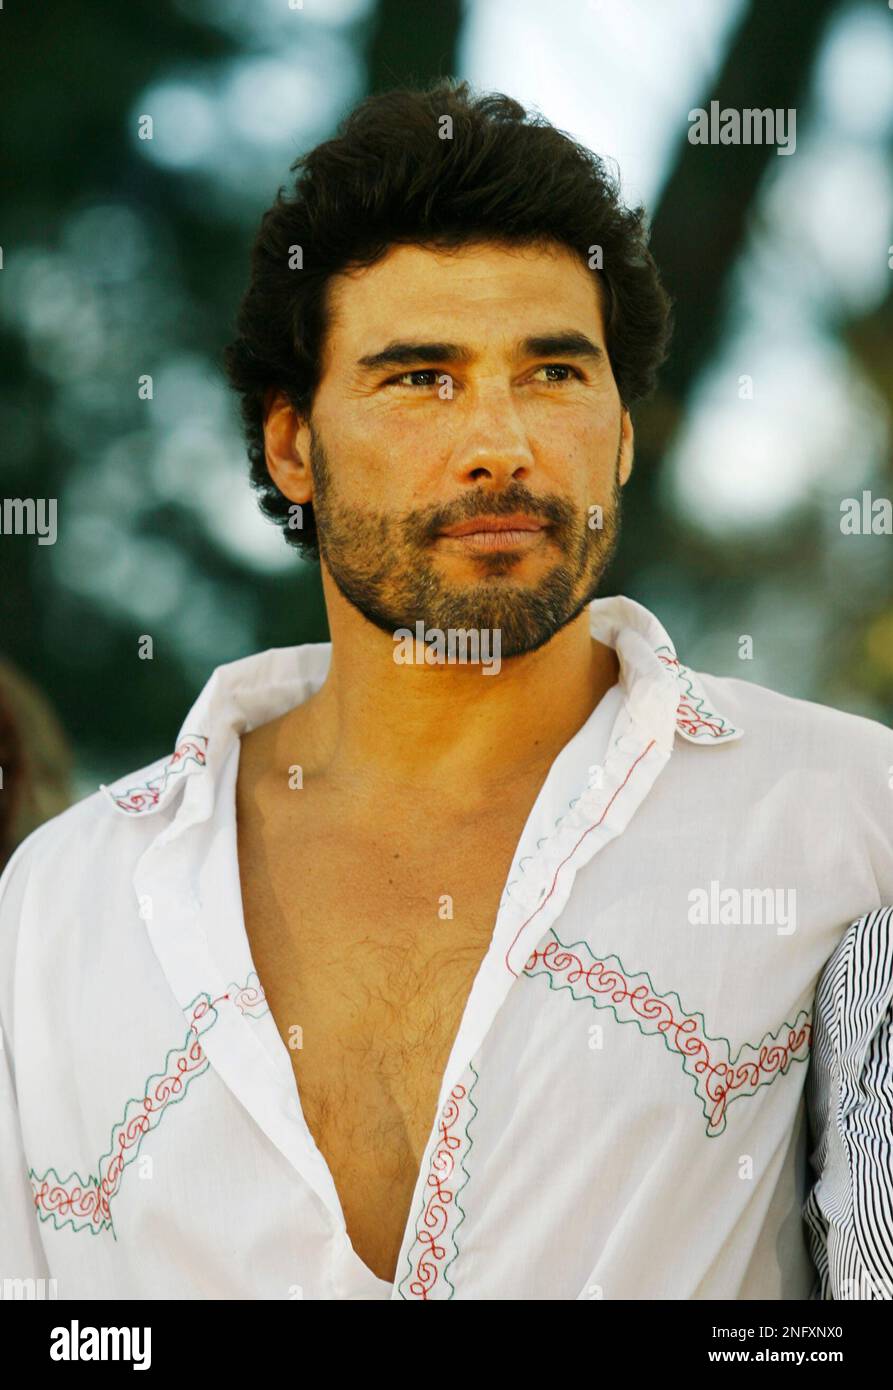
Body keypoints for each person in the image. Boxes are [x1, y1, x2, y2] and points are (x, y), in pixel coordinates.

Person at [2, 80, 891, 1302]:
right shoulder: (63, 903)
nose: (501, 443)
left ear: (622, 432)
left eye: (554, 374)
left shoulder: (850, 819)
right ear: (290, 445)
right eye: (419, 377)